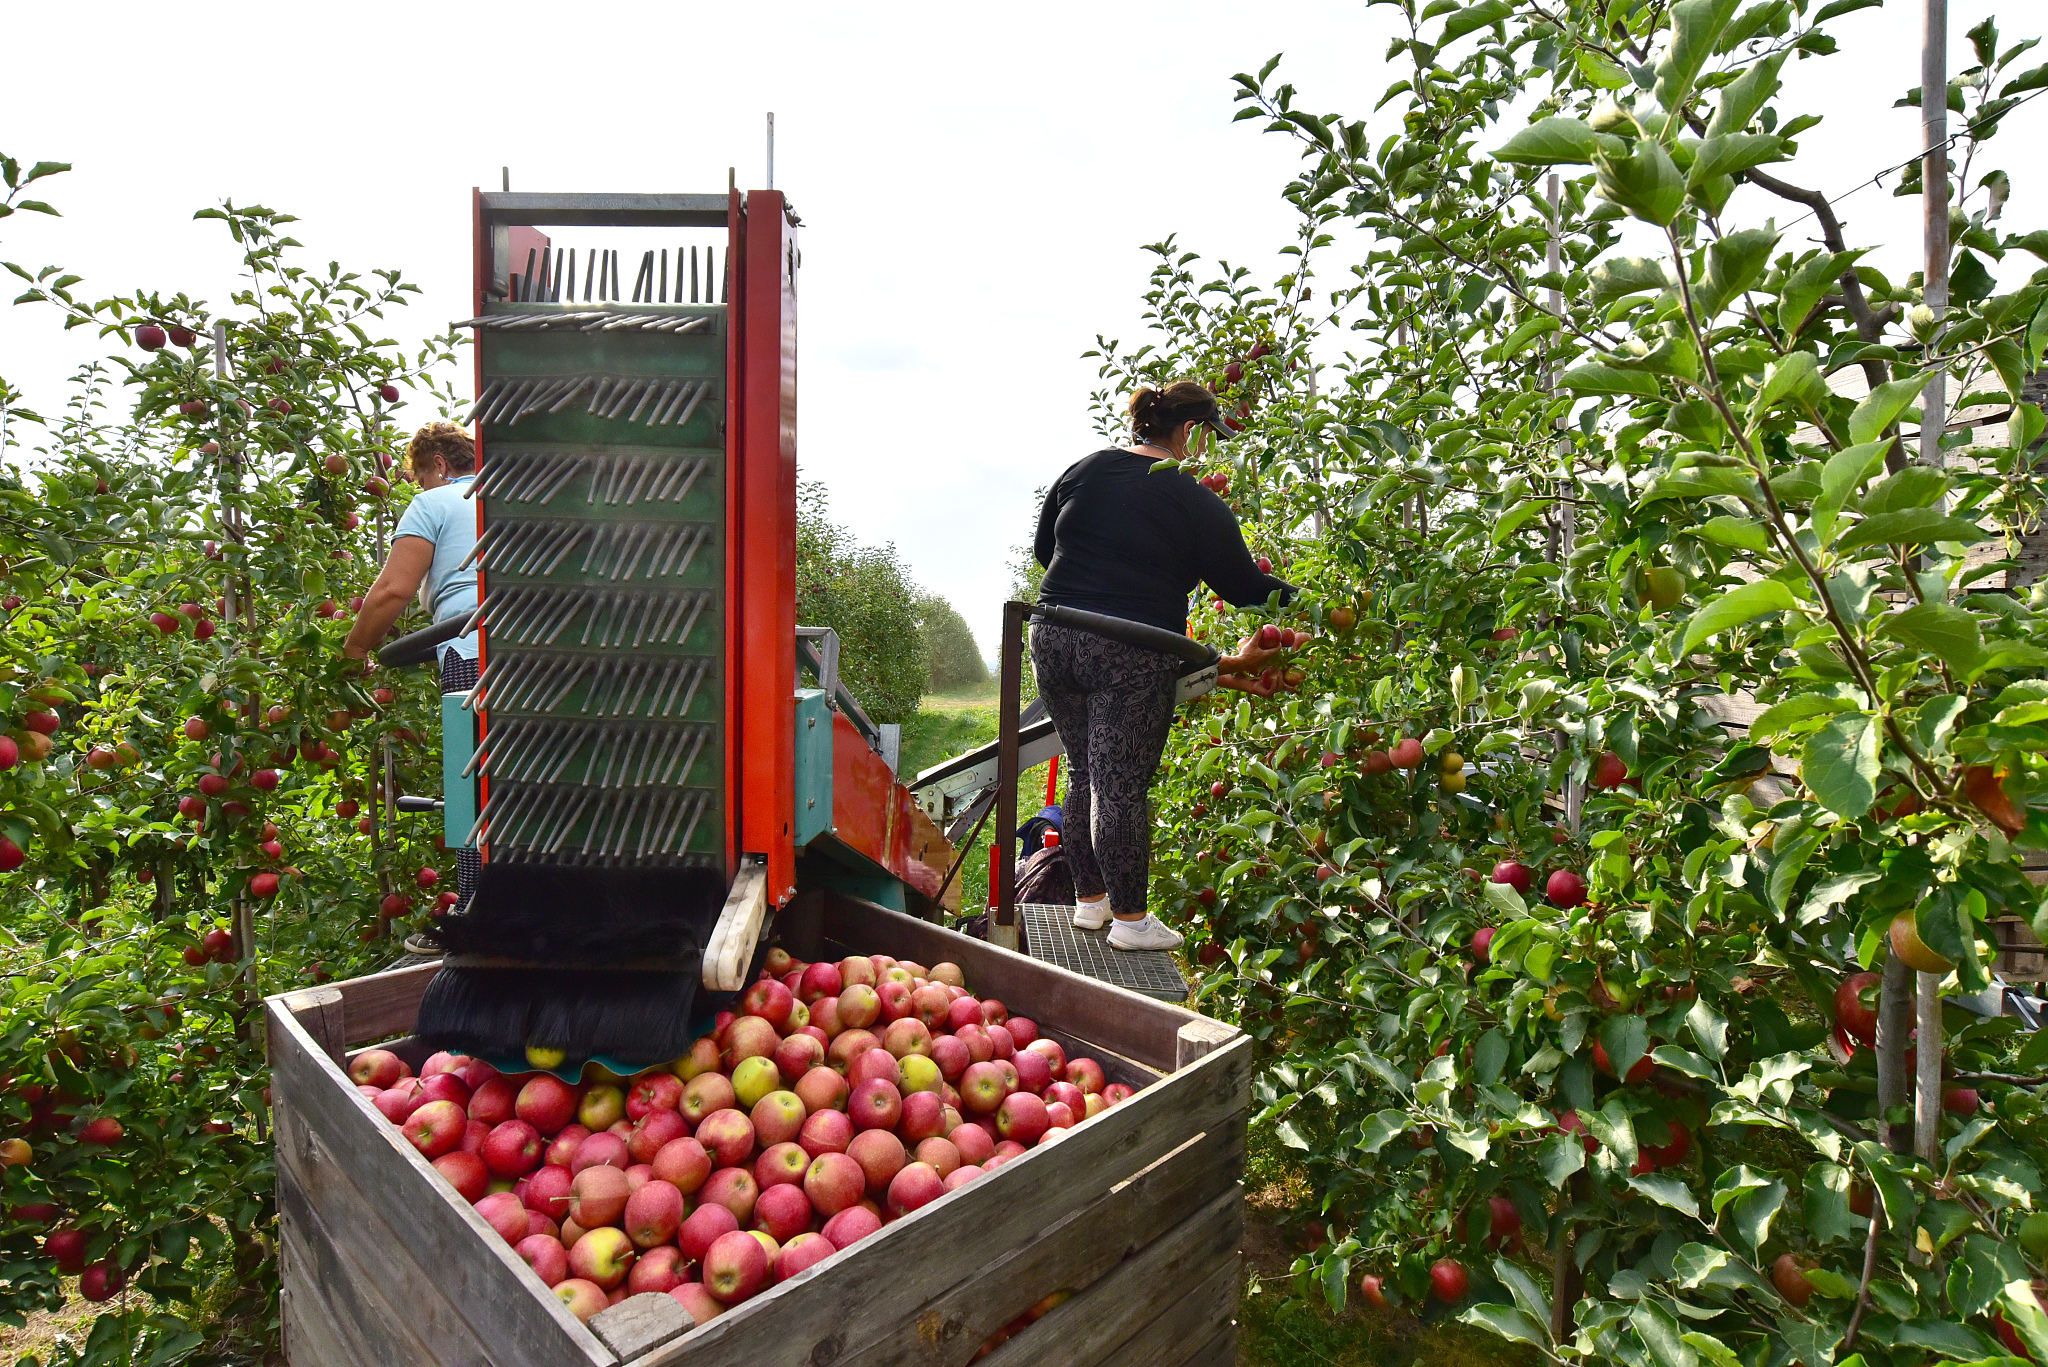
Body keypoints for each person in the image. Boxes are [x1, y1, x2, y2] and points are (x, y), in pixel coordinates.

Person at [1032, 380, 1292, 951]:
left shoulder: (1085, 469)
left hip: (1052, 633)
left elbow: (1045, 552)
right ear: (1190, 432)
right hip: (1129, 645)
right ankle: (1130, 922)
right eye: (1208, 436)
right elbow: (1246, 587)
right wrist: (1314, 604)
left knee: (1083, 772)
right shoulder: (1191, 498)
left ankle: (1091, 904)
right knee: (1121, 784)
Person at [342, 421, 481, 903]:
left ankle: (476, 905)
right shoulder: (512, 498)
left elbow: (393, 591)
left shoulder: (435, 502)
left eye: (421, 476)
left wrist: (356, 650)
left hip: (472, 651)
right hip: (544, 652)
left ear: (439, 466)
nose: (421, 486)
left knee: (473, 787)